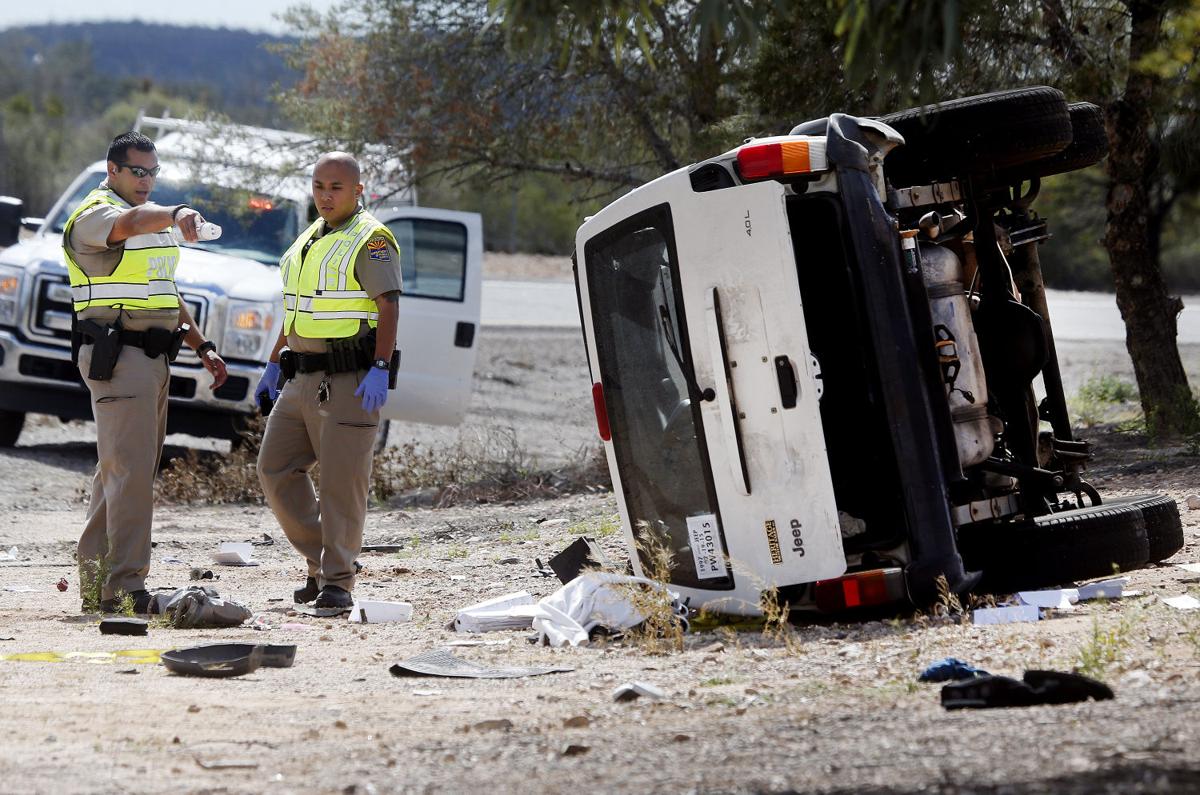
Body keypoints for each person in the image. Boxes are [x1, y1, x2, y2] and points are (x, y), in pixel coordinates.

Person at [63, 131, 228, 613]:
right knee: (129, 473)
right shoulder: (96, 214)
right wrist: (178, 213)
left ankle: (98, 586)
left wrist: (202, 346)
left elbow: (164, 289)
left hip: (154, 359)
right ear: (111, 169)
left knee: (118, 473)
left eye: (153, 172)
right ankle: (128, 588)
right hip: (120, 357)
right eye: (138, 171)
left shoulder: (146, 224)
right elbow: (129, 221)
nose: (146, 180)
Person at [255, 152, 402, 610]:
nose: (325, 195)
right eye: (319, 185)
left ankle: (337, 581)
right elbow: (297, 307)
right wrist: (275, 362)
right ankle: (326, 560)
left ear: (359, 190)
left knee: (342, 484)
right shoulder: (310, 237)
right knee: (274, 469)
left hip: (349, 379)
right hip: (300, 376)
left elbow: (389, 307)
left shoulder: (370, 239)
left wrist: (380, 367)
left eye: (336, 187)